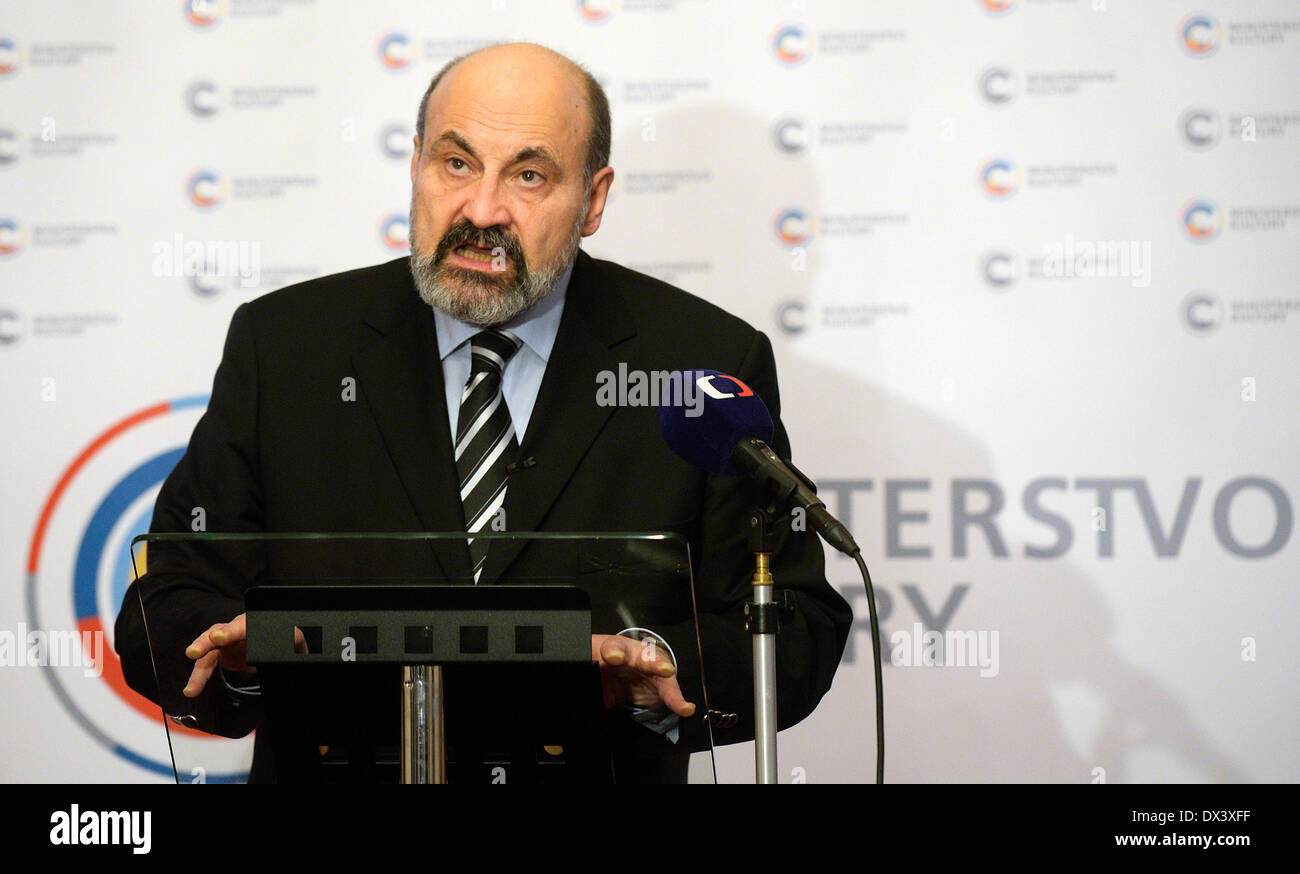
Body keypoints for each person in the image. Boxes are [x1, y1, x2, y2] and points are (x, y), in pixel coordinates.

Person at [116, 42, 851, 783]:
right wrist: (253, 654)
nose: (481, 210)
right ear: (415, 166)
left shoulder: (698, 363)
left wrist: (653, 663)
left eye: (529, 176)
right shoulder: (286, 349)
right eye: (456, 164)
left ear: (594, 199)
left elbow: (795, 628)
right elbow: (164, 600)